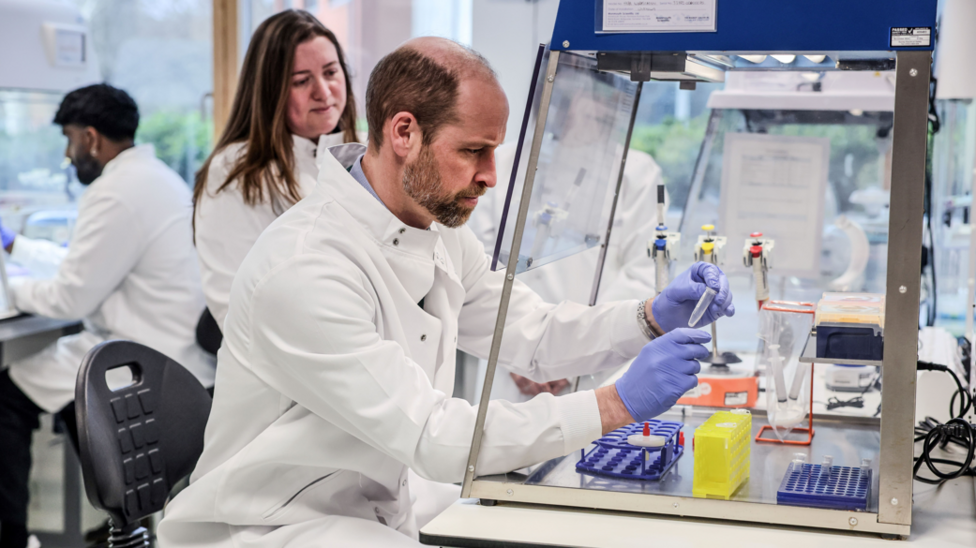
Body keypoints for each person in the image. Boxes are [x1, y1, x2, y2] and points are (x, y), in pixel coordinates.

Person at [157, 38, 733, 547]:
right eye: (473, 150)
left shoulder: (435, 230)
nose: (490, 175)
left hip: (374, 501)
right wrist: (614, 404)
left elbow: (530, 331)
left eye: (494, 151)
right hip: (271, 525)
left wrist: (648, 317)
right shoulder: (307, 266)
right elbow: (432, 433)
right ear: (403, 132)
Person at [0, 84, 213, 548]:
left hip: (141, 359)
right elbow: (87, 265)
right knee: (54, 387)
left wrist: (9, 289)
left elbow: (70, 297)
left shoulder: (114, 193)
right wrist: (15, 246)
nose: (68, 153)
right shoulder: (154, 177)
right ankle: (121, 514)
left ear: (91, 138)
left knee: (7, 397)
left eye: (69, 139)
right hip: (174, 357)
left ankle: (16, 535)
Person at [193, 9, 359, 330]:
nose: (323, 92)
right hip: (283, 350)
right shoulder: (236, 170)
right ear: (270, 92)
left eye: (330, 72)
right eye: (301, 81)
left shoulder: (365, 152)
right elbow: (235, 304)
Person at [468, 140, 665, 400]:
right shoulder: (502, 162)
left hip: (593, 371)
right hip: (509, 368)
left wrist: (569, 360)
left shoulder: (637, 172)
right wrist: (514, 353)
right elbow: (478, 268)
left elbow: (643, 275)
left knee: (590, 423)